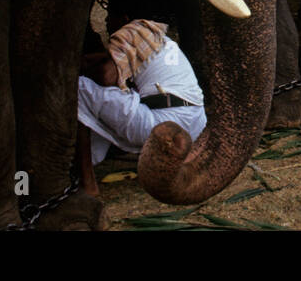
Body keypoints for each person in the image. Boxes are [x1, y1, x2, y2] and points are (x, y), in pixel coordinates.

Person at [77, 18, 205, 188]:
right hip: (195, 127)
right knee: (108, 102)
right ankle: (92, 158)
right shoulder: (160, 39)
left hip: (162, 126)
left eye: (112, 12)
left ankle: (87, 180)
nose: (107, 19)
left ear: (124, 15)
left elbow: (107, 77)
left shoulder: (134, 32)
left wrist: (80, 67)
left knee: (79, 87)